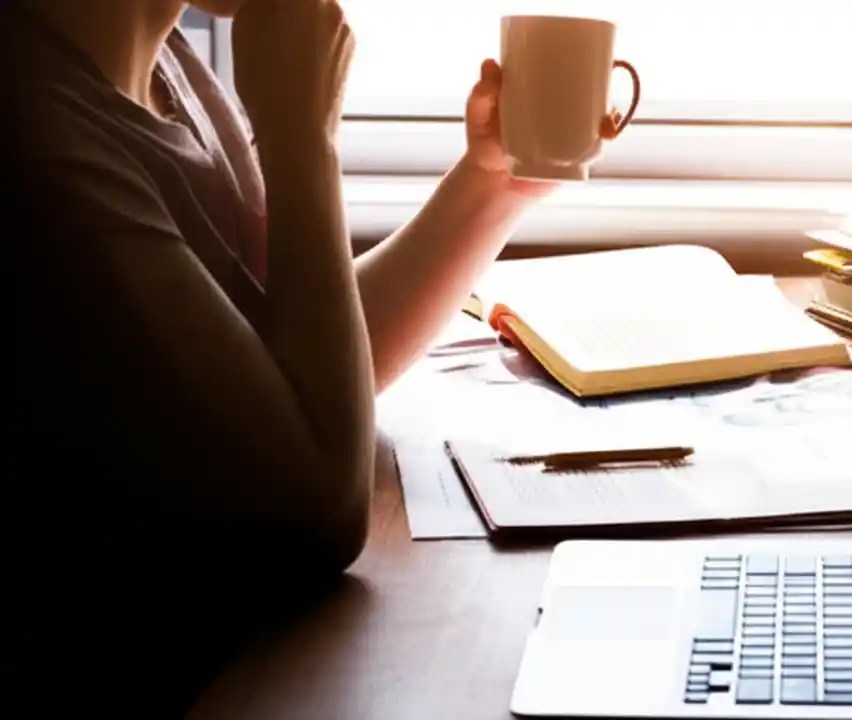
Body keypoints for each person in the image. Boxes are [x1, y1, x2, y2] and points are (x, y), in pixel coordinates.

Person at [1, 0, 620, 713]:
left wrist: (496, 180)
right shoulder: (38, 139)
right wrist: (300, 133)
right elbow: (318, 502)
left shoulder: (171, 68)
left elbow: (302, 368)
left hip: (250, 654)